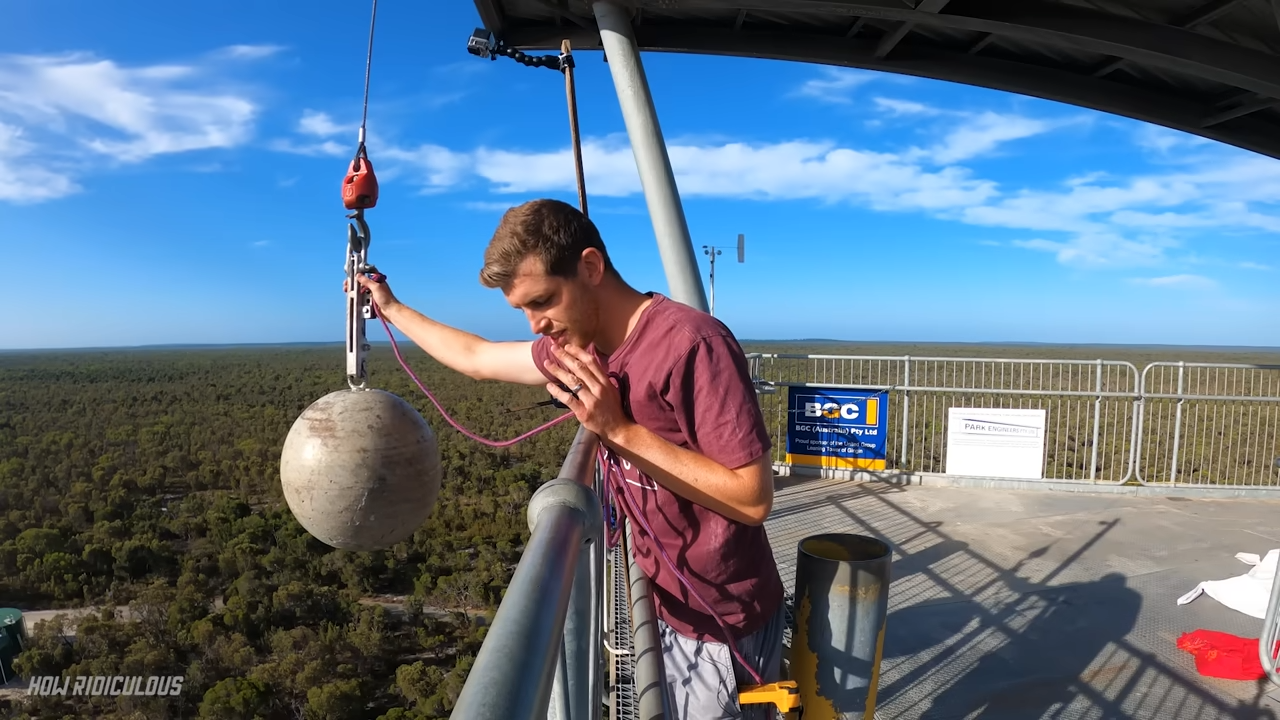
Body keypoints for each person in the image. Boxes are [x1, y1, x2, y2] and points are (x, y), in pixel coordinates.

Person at [350, 198, 785, 719]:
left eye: (544, 301)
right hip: (668, 603)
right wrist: (392, 308)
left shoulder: (692, 345)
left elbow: (753, 498)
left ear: (591, 267)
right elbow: (478, 358)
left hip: (723, 623)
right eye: (523, 310)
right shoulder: (581, 346)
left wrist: (618, 430)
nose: (536, 325)